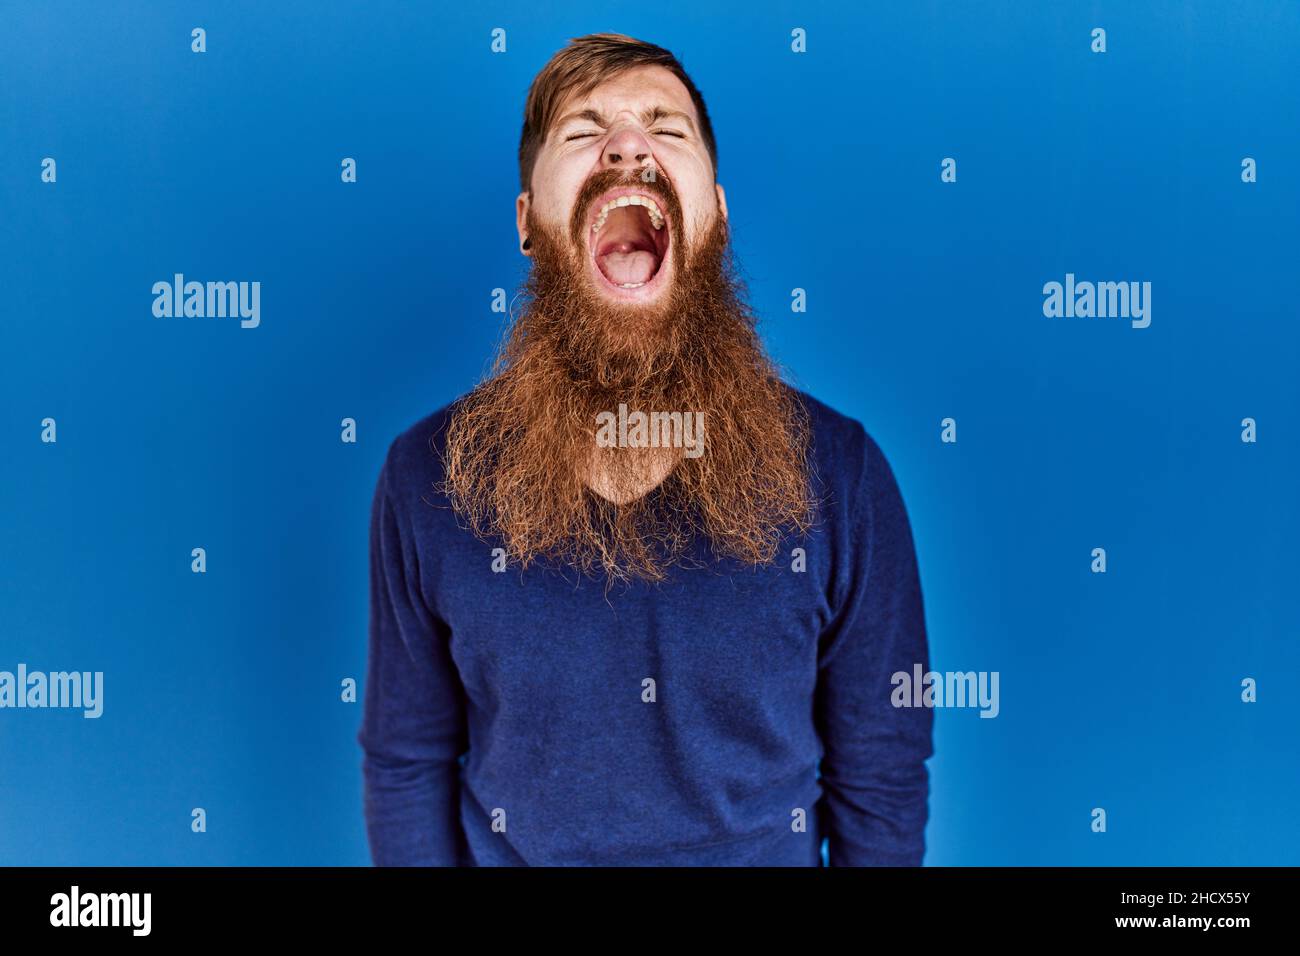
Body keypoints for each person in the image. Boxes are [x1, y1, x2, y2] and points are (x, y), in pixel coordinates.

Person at [358, 32, 933, 866]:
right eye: (585, 131)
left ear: (718, 215)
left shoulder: (842, 476)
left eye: (667, 128)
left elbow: (882, 772)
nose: (628, 144)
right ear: (528, 221)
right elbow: (405, 764)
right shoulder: (424, 478)